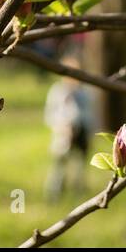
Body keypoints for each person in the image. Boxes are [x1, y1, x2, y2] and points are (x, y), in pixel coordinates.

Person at [43, 65, 95, 202]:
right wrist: (62, 127)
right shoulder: (58, 91)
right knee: (60, 164)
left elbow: (91, 113)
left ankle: (78, 190)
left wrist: (90, 131)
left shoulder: (85, 92)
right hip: (64, 134)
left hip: (82, 131)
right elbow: (50, 114)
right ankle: (55, 191)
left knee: (80, 165)